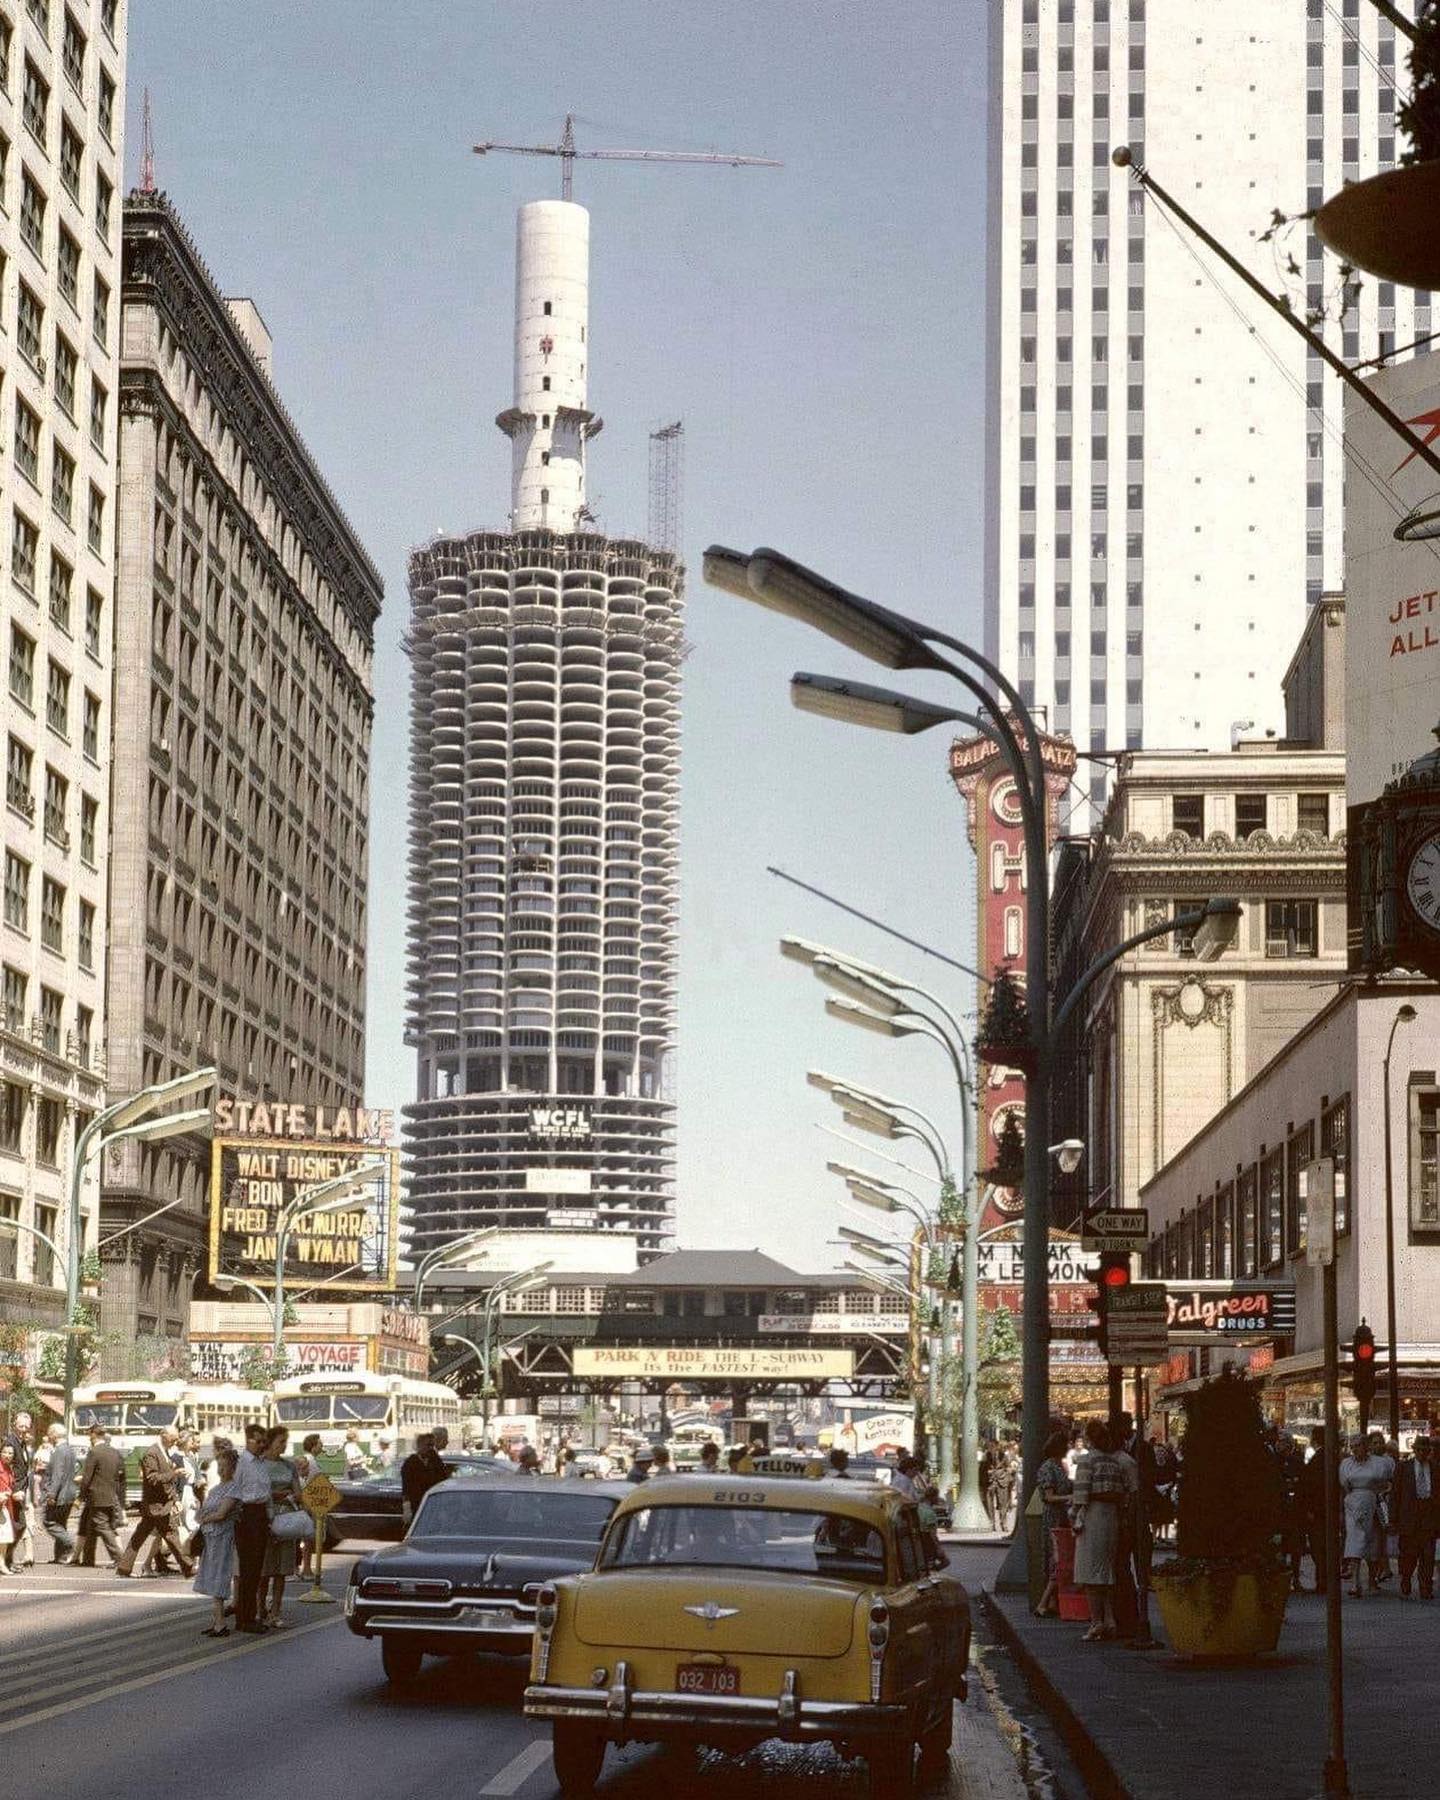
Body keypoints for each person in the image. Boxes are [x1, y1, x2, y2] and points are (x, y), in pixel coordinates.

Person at [1070, 1419, 1137, 1642]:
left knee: (1090, 1573)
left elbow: (1080, 1496)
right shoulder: (1113, 1462)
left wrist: (1073, 1516)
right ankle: (1109, 1619)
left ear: (1089, 1438)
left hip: (1092, 1518)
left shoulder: (1086, 1460)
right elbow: (1122, 1493)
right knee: (1107, 1572)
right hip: (1111, 1519)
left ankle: (1096, 1621)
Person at [116, 1427, 195, 1579]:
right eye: (173, 1438)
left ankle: (124, 1567)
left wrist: (175, 1500)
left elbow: (167, 1484)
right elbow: (152, 1478)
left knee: (141, 1536)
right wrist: (174, 1473)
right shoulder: (152, 1453)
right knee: (170, 1535)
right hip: (155, 1505)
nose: (175, 1441)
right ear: (163, 1435)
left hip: (159, 1505)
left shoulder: (164, 1452)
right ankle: (188, 1567)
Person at [232, 1421, 276, 1632]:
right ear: (248, 1441)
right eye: (258, 1441)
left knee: (256, 1569)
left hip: (260, 1516)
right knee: (248, 1570)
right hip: (246, 1515)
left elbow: (266, 1493)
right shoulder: (242, 1464)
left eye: (264, 1442)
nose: (262, 1445)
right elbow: (234, 1490)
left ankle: (248, 1616)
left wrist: (270, 1517)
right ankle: (244, 1618)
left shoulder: (261, 1463)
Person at [193, 1445, 241, 1639]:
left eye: (224, 1466)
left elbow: (221, 1514)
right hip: (211, 1537)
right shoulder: (215, 1489)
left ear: (233, 1468)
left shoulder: (234, 1488)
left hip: (224, 1537)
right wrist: (204, 1517)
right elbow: (203, 1512)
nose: (221, 1470)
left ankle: (221, 1623)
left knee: (220, 1576)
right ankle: (217, 1621)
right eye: (219, 1466)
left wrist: (205, 1518)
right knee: (213, 1576)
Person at [1339, 1433, 1390, 1597]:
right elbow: (1344, 1485)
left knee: (1372, 1542)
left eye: (1358, 1446)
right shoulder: (1346, 1464)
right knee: (1354, 1541)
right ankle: (1355, 1582)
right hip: (1353, 1503)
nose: (1355, 1449)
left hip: (1372, 1502)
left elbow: (1385, 1483)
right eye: (1352, 1447)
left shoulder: (1379, 1463)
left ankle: (1372, 1580)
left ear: (1365, 1446)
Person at [261, 1427, 302, 1627]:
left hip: (286, 1519)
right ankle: (260, 1608)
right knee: (263, 1569)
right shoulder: (258, 1464)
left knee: (281, 1570)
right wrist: (278, 1495)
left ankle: (275, 1611)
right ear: (270, 1442)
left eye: (286, 1441)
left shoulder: (289, 1466)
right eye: (281, 1441)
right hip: (264, 1520)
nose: (284, 1445)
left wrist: (288, 1496)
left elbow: (298, 1493)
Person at [1034, 1430, 1075, 1618]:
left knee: (1058, 1559)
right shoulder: (1048, 1467)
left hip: (1061, 1517)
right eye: (1066, 1444)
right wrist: (1069, 1496)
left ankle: (1052, 1602)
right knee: (1057, 1559)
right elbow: (1049, 1496)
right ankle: (1045, 1602)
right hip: (1053, 1517)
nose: (1069, 1447)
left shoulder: (1059, 1466)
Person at [75, 1425, 126, 1568]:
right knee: (91, 1527)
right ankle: (88, 1559)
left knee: (102, 1526)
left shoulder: (94, 1452)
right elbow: (120, 1476)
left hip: (97, 1496)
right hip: (111, 1495)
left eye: (89, 1434)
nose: (88, 1437)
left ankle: (119, 1558)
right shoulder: (114, 1452)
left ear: (93, 1434)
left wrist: (80, 1497)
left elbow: (87, 1477)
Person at [1396, 1434, 1439, 1600]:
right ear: (1414, 1450)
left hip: (1428, 1515)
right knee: (1409, 1554)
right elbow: (1396, 1494)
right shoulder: (1403, 1468)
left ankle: (1425, 1587)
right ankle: (1406, 1578)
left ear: (1429, 1452)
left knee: (1427, 1555)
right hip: (1409, 1516)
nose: (1422, 1453)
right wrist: (1393, 1519)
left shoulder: (1435, 1468)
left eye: (1425, 1451)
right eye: (1419, 1450)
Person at [40, 1423, 78, 1564]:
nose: (48, 1436)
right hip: (69, 1493)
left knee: (49, 1522)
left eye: (50, 1433)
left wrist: (51, 1495)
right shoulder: (70, 1450)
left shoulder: (59, 1451)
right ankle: (60, 1556)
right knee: (60, 1524)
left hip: (60, 1494)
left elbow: (57, 1475)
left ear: (55, 1435)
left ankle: (70, 1543)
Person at [2, 1414, 34, 1572]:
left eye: (26, 1427)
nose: (24, 1429)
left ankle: (7, 1561)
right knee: (17, 1525)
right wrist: (13, 1491)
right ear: (15, 1425)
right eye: (21, 1426)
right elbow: (8, 1467)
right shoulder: (10, 1442)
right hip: (12, 1491)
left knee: (17, 1526)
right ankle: (6, 1562)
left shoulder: (21, 1442)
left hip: (20, 1490)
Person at [399, 1432, 450, 1528]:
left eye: (432, 1445)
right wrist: (406, 1506)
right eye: (428, 1445)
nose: (431, 1448)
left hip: (432, 1502)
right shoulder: (410, 1463)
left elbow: (443, 1479)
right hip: (416, 1502)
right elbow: (406, 1486)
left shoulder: (435, 1461)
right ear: (420, 1446)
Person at [0, 1441, 19, 1573]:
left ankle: (1, 1564)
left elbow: (9, 1487)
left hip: (4, 1506)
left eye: (10, 1453)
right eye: (5, 1452)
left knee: (5, 1537)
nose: (8, 1455)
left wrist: (15, 1494)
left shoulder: (8, 1468)